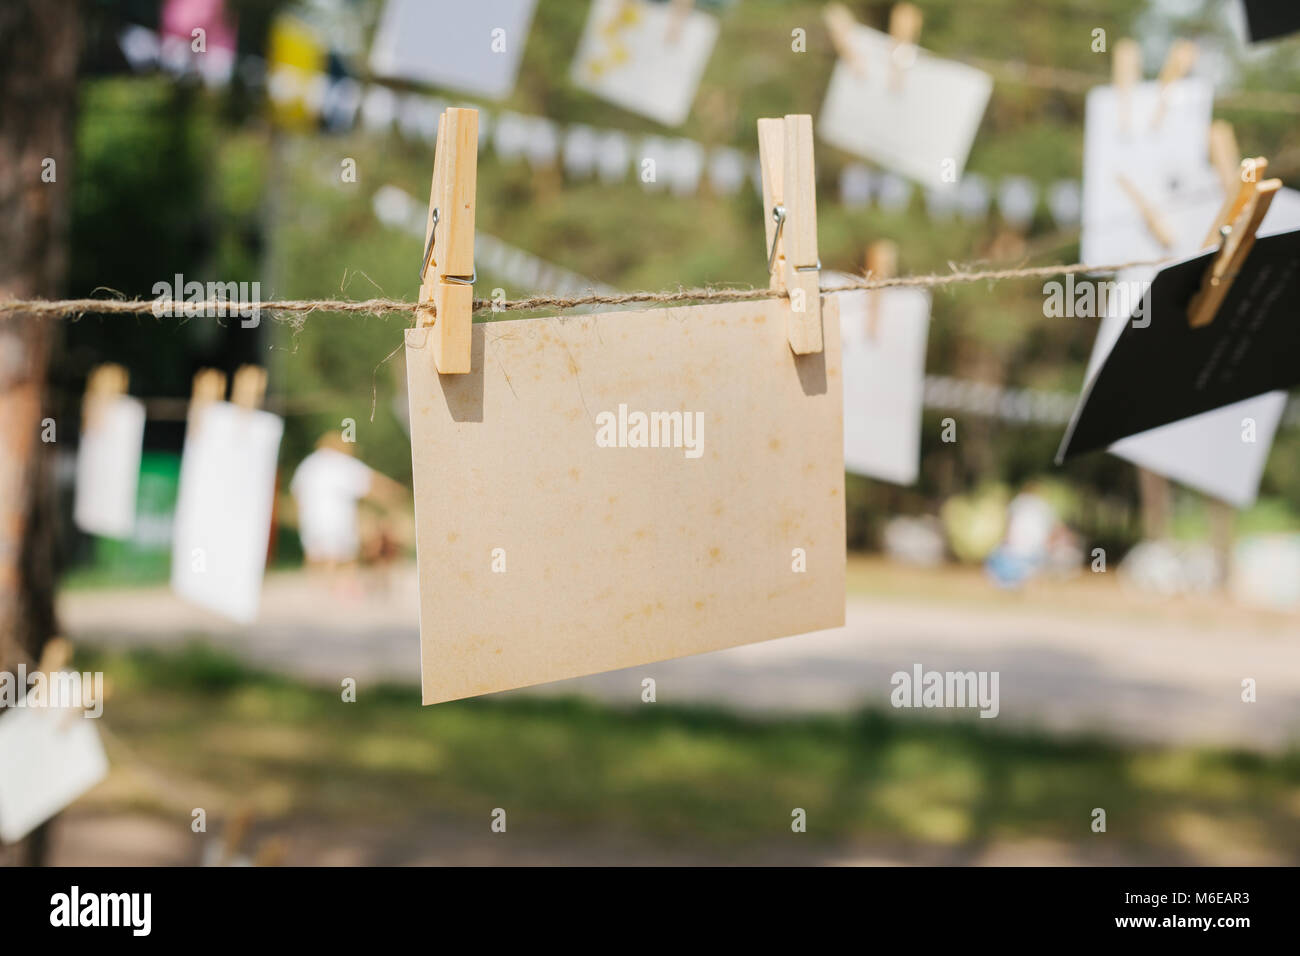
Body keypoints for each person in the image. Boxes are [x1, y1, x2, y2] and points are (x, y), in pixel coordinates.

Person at [289, 432, 405, 570]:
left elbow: (296, 492)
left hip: (311, 519)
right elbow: (370, 482)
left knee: (315, 555)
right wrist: (397, 493)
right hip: (338, 518)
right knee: (344, 557)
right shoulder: (340, 462)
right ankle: (343, 587)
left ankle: (317, 588)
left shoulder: (308, 464)